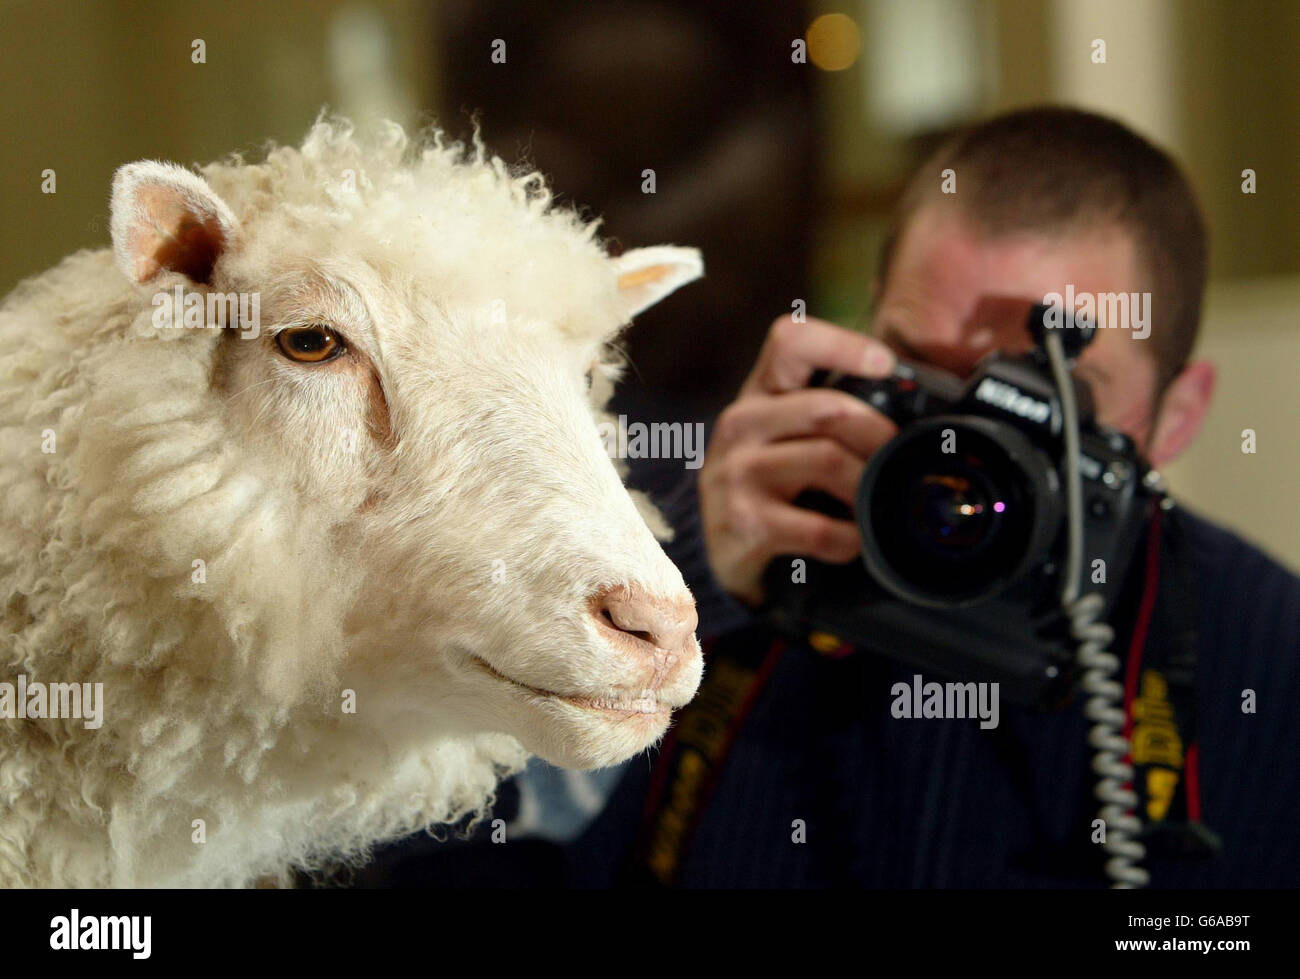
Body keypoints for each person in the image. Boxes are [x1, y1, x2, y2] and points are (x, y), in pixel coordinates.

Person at [563, 105, 1300, 888]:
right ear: (867, 327)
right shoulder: (706, 535)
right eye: (923, 369)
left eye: (1054, 399)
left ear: (1176, 416)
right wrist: (701, 583)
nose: (966, 445)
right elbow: (477, 857)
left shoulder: (1269, 654)